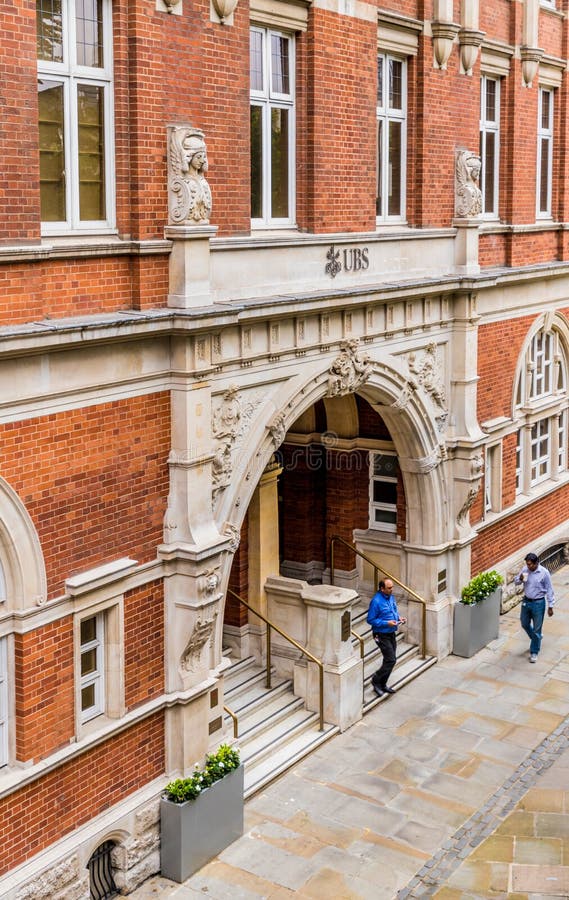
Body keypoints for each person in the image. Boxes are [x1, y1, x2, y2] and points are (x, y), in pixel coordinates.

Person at [366, 578, 406, 696]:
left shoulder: (391, 598)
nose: (391, 589)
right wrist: (386, 623)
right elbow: (370, 620)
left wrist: (399, 618)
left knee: (390, 660)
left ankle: (382, 684)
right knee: (391, 659)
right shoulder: (376, 601)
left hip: (391, 632)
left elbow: (393, 611)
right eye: (389, 588)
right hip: (380, 634)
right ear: (382, 589)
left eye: (392, 587)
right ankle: (376, 680)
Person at [514, 552, 555, 662]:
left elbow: (550, 589)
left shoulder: (544, 573)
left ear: (537, 563)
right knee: (524, 623)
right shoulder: (525, 570)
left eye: (531, 564)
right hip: (526, 601)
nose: (529, 566)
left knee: (537, 628)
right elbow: (516, 582)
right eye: (527, 564)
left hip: (538, 603)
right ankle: (536, 638)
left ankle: (534, 652)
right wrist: (520, 578)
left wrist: (551, 606)